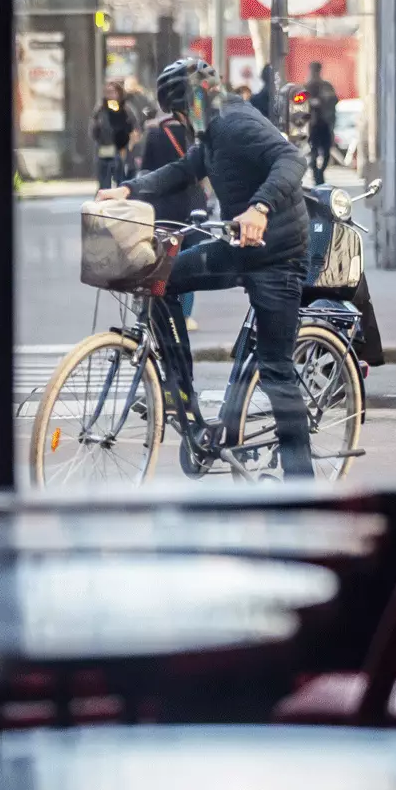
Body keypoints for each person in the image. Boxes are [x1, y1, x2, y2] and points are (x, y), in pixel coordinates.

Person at [98, 57, 315, 479]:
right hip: (237, 246)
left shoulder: (235, 123)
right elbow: (186, 169)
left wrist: (260, 207)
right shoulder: (213, 130)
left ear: (189, 105)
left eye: (179, 113)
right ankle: (184, 400)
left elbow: (291, 159)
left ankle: (301, 486)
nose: (179, 121)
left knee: (276, 372)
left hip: (277, 256)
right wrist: (129, 188)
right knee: (161, 279)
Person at [139, 105, 210, 332]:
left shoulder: (154, 133)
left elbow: (147, 169)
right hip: (192, 205)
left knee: (162, 261)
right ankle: (186, 316)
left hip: (163, 205)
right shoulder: (197, 135)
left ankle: (155, 312)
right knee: (188, 262)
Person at [91, 82, 134, 189]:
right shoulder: (101, 109)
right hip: (104, 149)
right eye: (107, 92)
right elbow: (93, 129)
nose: (110, 95)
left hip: (121, 150)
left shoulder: (126, 109)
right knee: (104, 183)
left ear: (119, 93)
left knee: (121, 182)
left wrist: (128, 146)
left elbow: (134, 128)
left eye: (112, 92)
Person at [306, 61, 340, 186]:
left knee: (326, 152)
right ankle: (317, 176)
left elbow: (334, 100)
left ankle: (320, 173)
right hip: (312, 126)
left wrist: (323, 100)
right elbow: (300, 103)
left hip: (325, 124)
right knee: (313, 152)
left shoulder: (326, 86)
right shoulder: (307, 87)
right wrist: (311, 102)